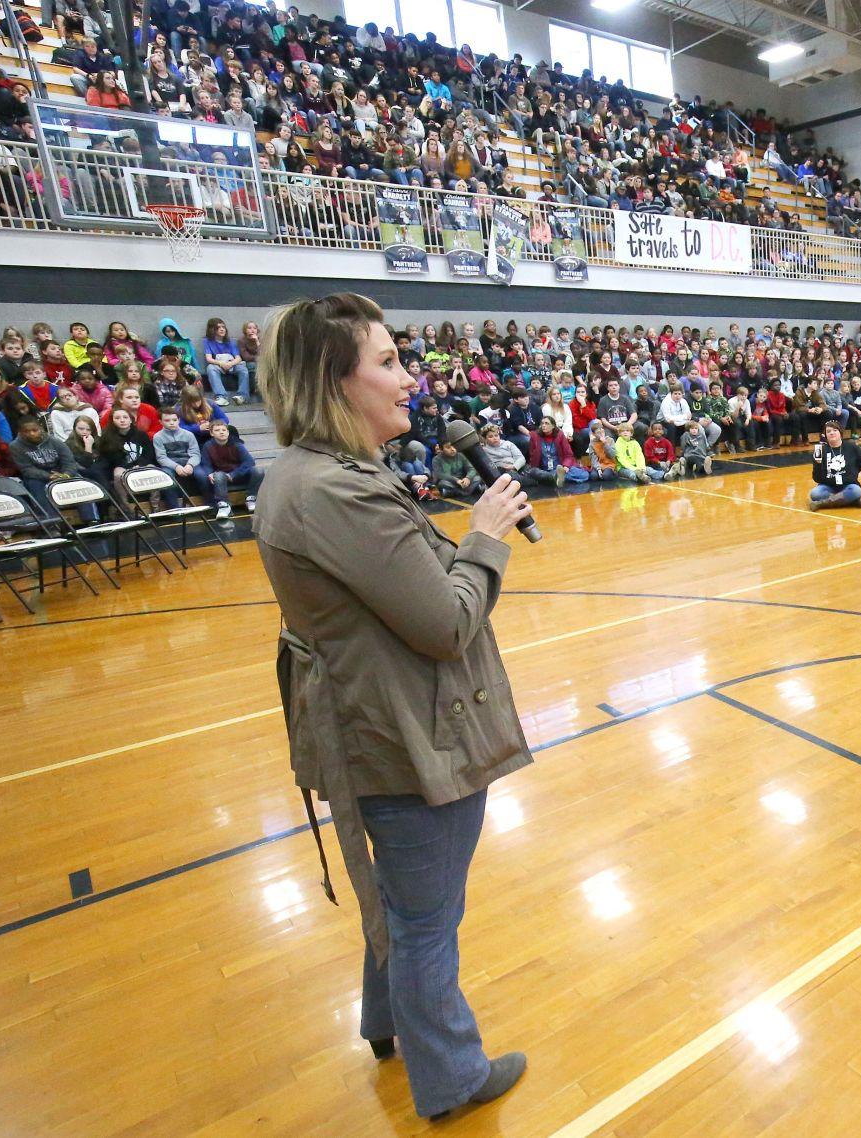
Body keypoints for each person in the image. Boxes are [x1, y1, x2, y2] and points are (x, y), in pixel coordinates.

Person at [252, 293, 529, 1120]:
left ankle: (386, 1021)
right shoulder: (334, 491)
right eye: (387, 362)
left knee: (408, 905)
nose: (408, 379)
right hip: (409, 738)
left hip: (381, 724)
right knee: (428, 919)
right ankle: (449, 1077)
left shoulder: (320, 476)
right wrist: (484, 536)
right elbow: (445, 622)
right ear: (333, 383)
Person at [202, 420, 263, 518]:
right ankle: (224, 505)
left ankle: (251, 498)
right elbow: (206, 464)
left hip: (239, 473)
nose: (221, 432)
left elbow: (249, 461)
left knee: (259, 470)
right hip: (221, 475)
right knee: (217, 475)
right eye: (217, 430)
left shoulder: (236, 444)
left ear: (228, 432)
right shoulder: (208, 446)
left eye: (224, 430)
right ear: (211, 433)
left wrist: (233, 474)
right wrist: (209, 473)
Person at [809, 420, 861, 509]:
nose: (832, 433)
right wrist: (818, 464)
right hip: (828, 486)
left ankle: (822, 504)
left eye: (835, 430)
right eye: (828, 431)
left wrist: (852, 472)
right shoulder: (821, 451)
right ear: (825, 435)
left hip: (848, 485)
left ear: (840, 432)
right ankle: (848, 500)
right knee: (815, 494)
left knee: (856, 491)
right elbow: (817, 478)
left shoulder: (852, 447)